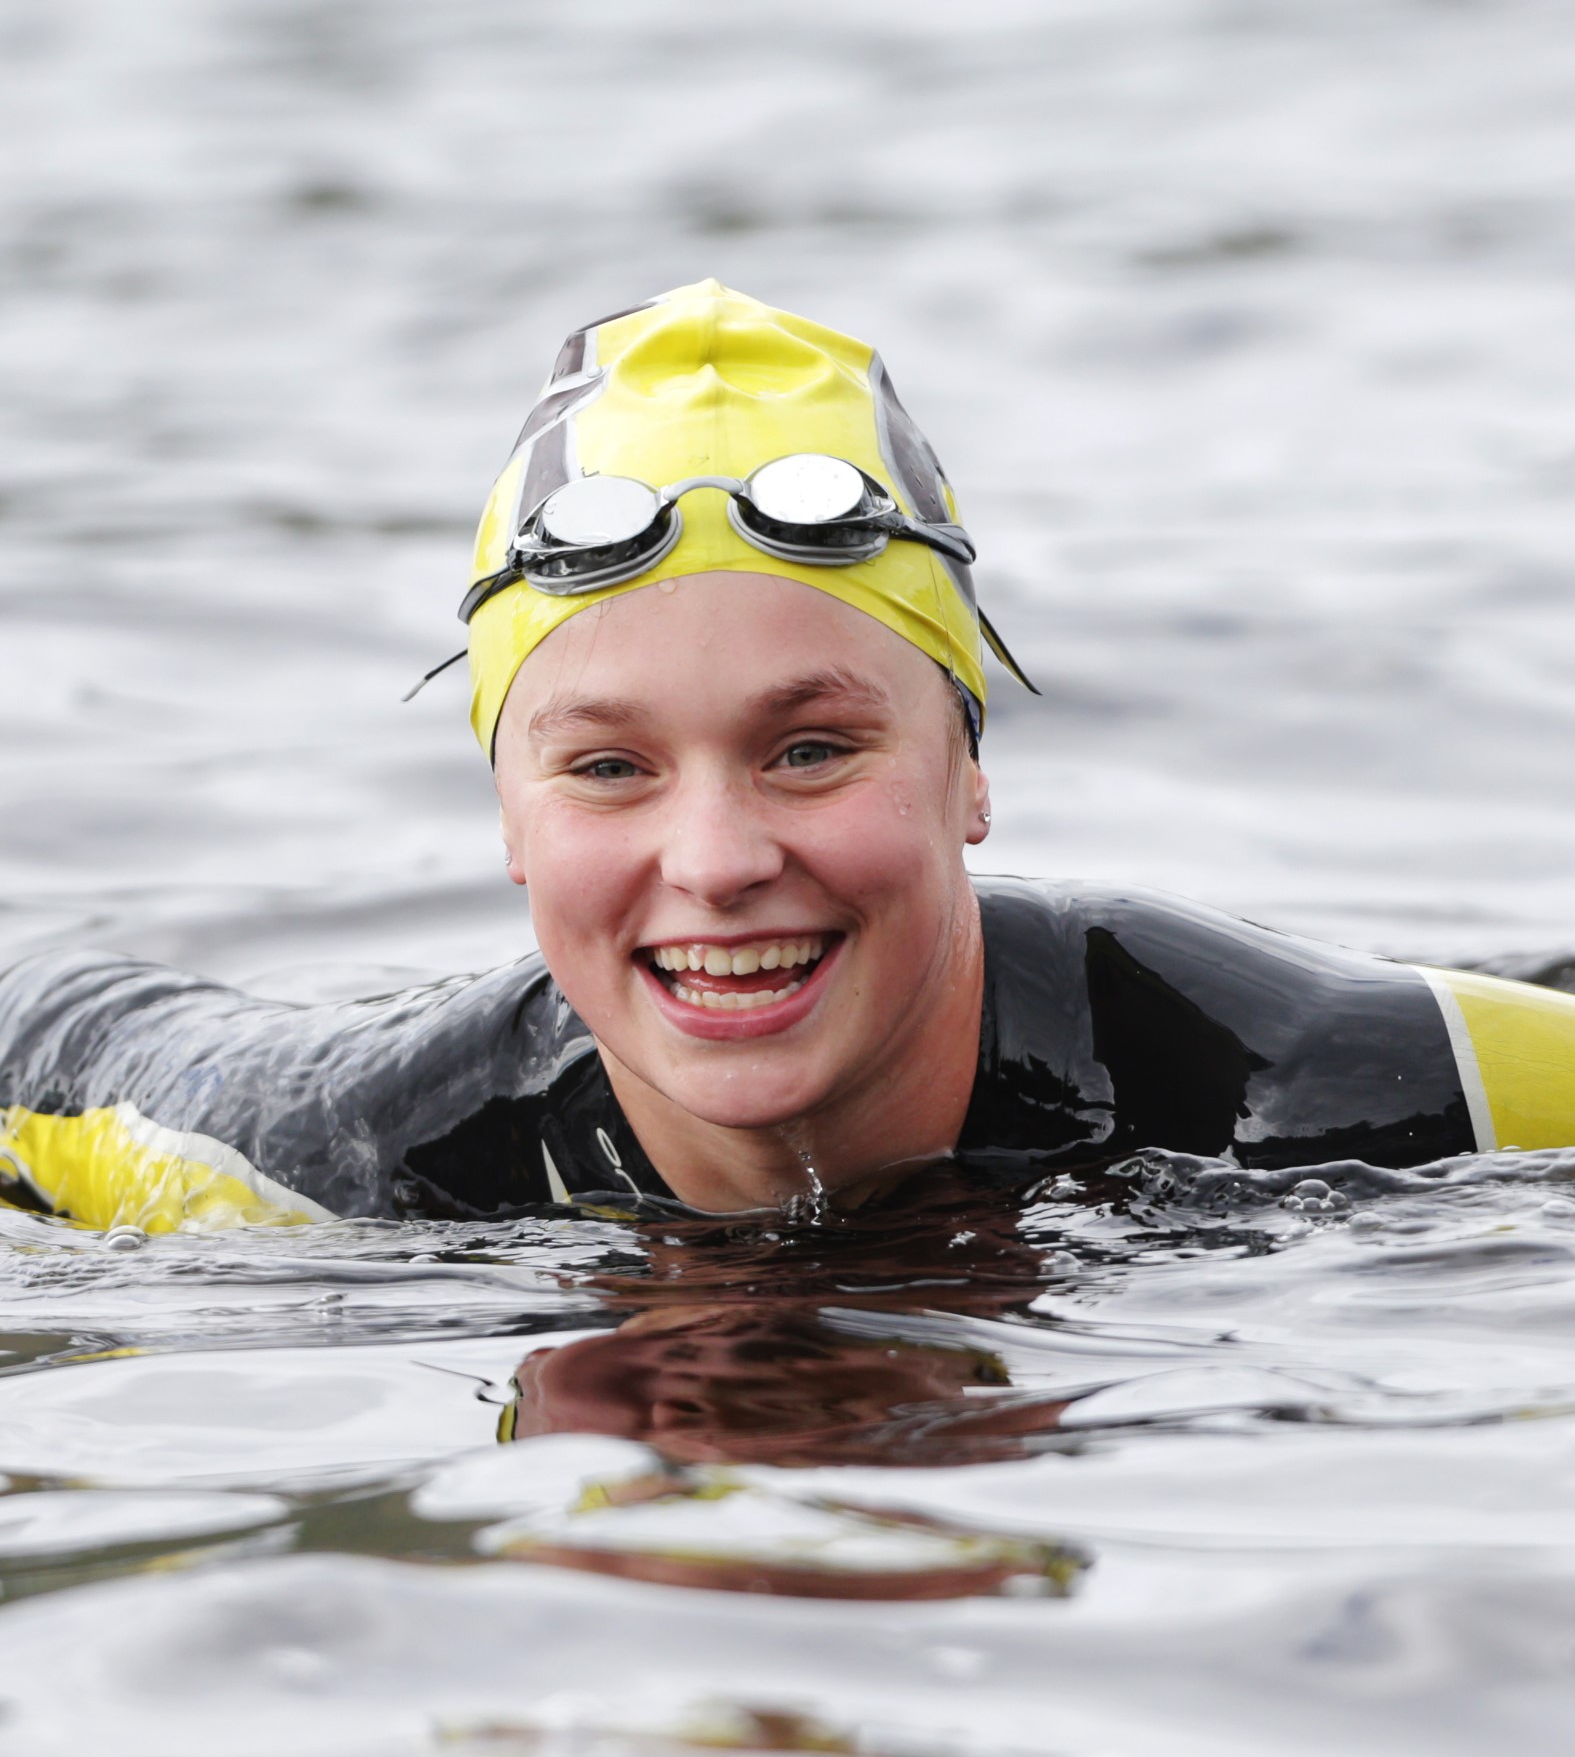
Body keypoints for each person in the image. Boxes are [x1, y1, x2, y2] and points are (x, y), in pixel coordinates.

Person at [3, 278, 1575, 1233]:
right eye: (610, 769)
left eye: (812, 749)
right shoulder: (343, 1150)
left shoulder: (1340, 1096)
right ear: (507, 818)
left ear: (969, 773)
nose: (719, 860)